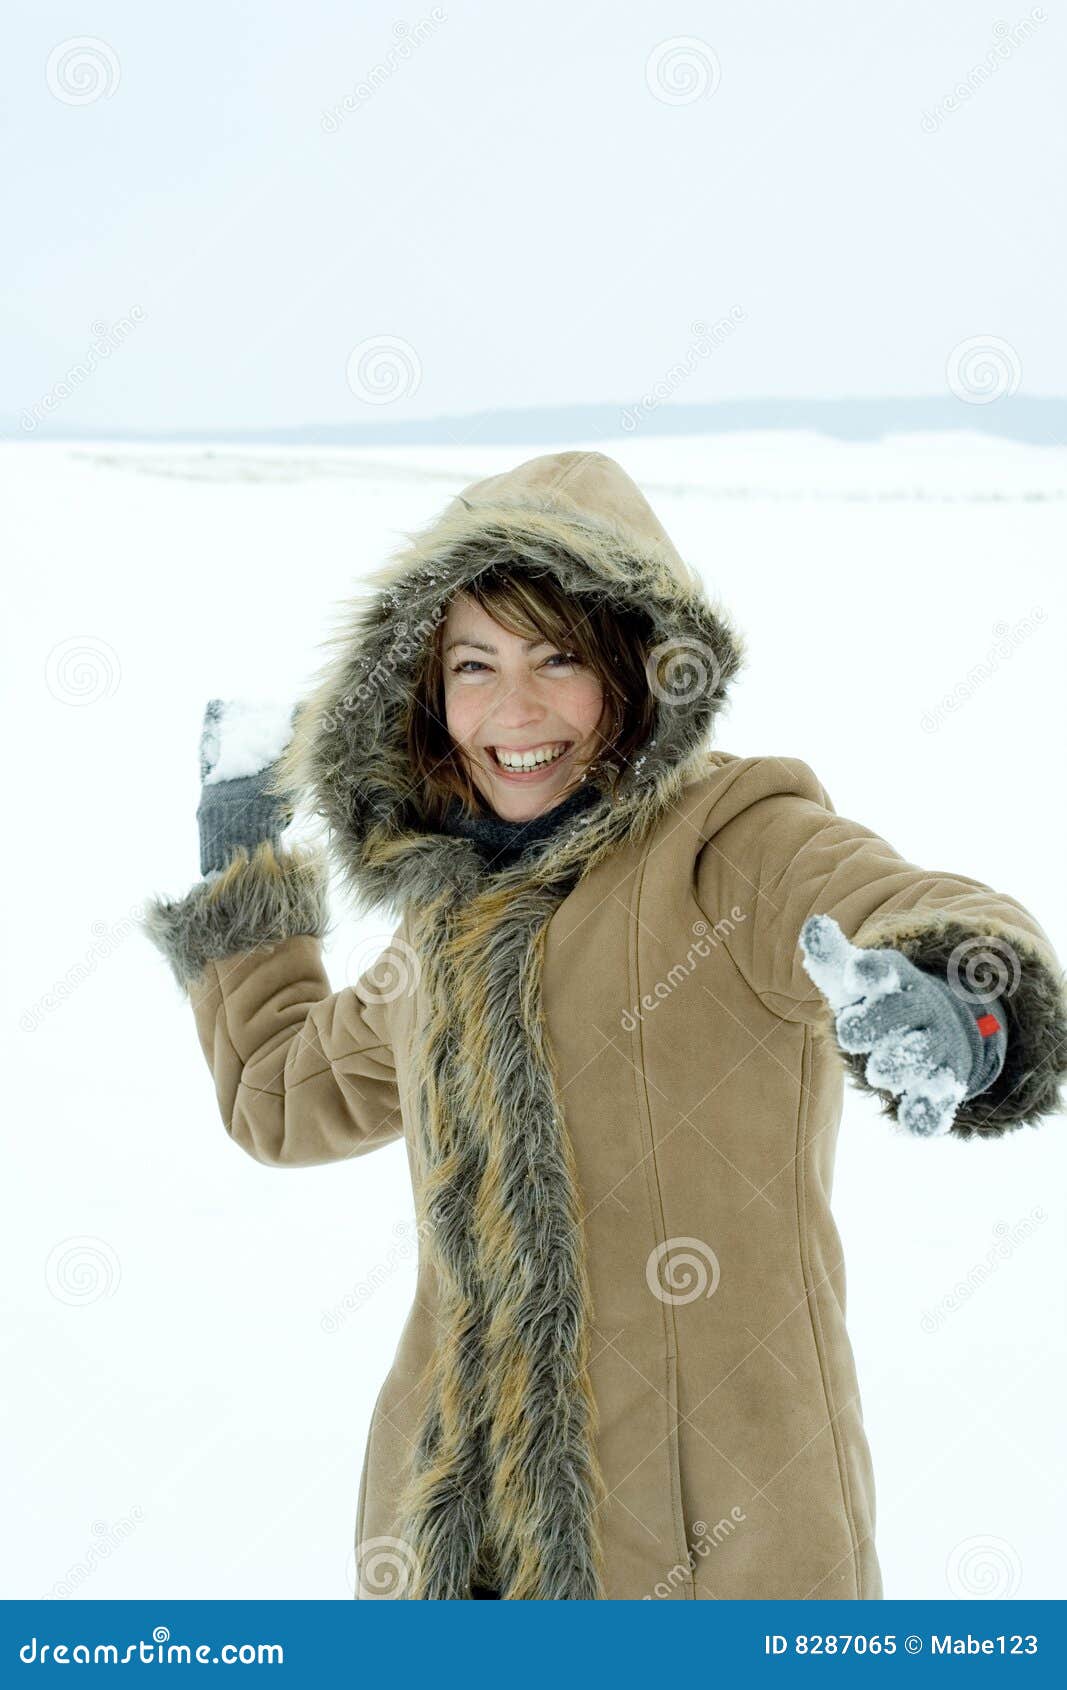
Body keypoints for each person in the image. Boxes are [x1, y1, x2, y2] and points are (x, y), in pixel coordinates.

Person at [142, 450, 1066, 1601]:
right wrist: (241, 852)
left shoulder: (732, 843)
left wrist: (954, 999)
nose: (512, 711)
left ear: (632, 664)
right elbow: (283, 1095)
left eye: (557, 659)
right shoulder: (446, 919)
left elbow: (896, 901)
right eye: (471, 666)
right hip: (450, 1567)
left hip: (715, 1575)